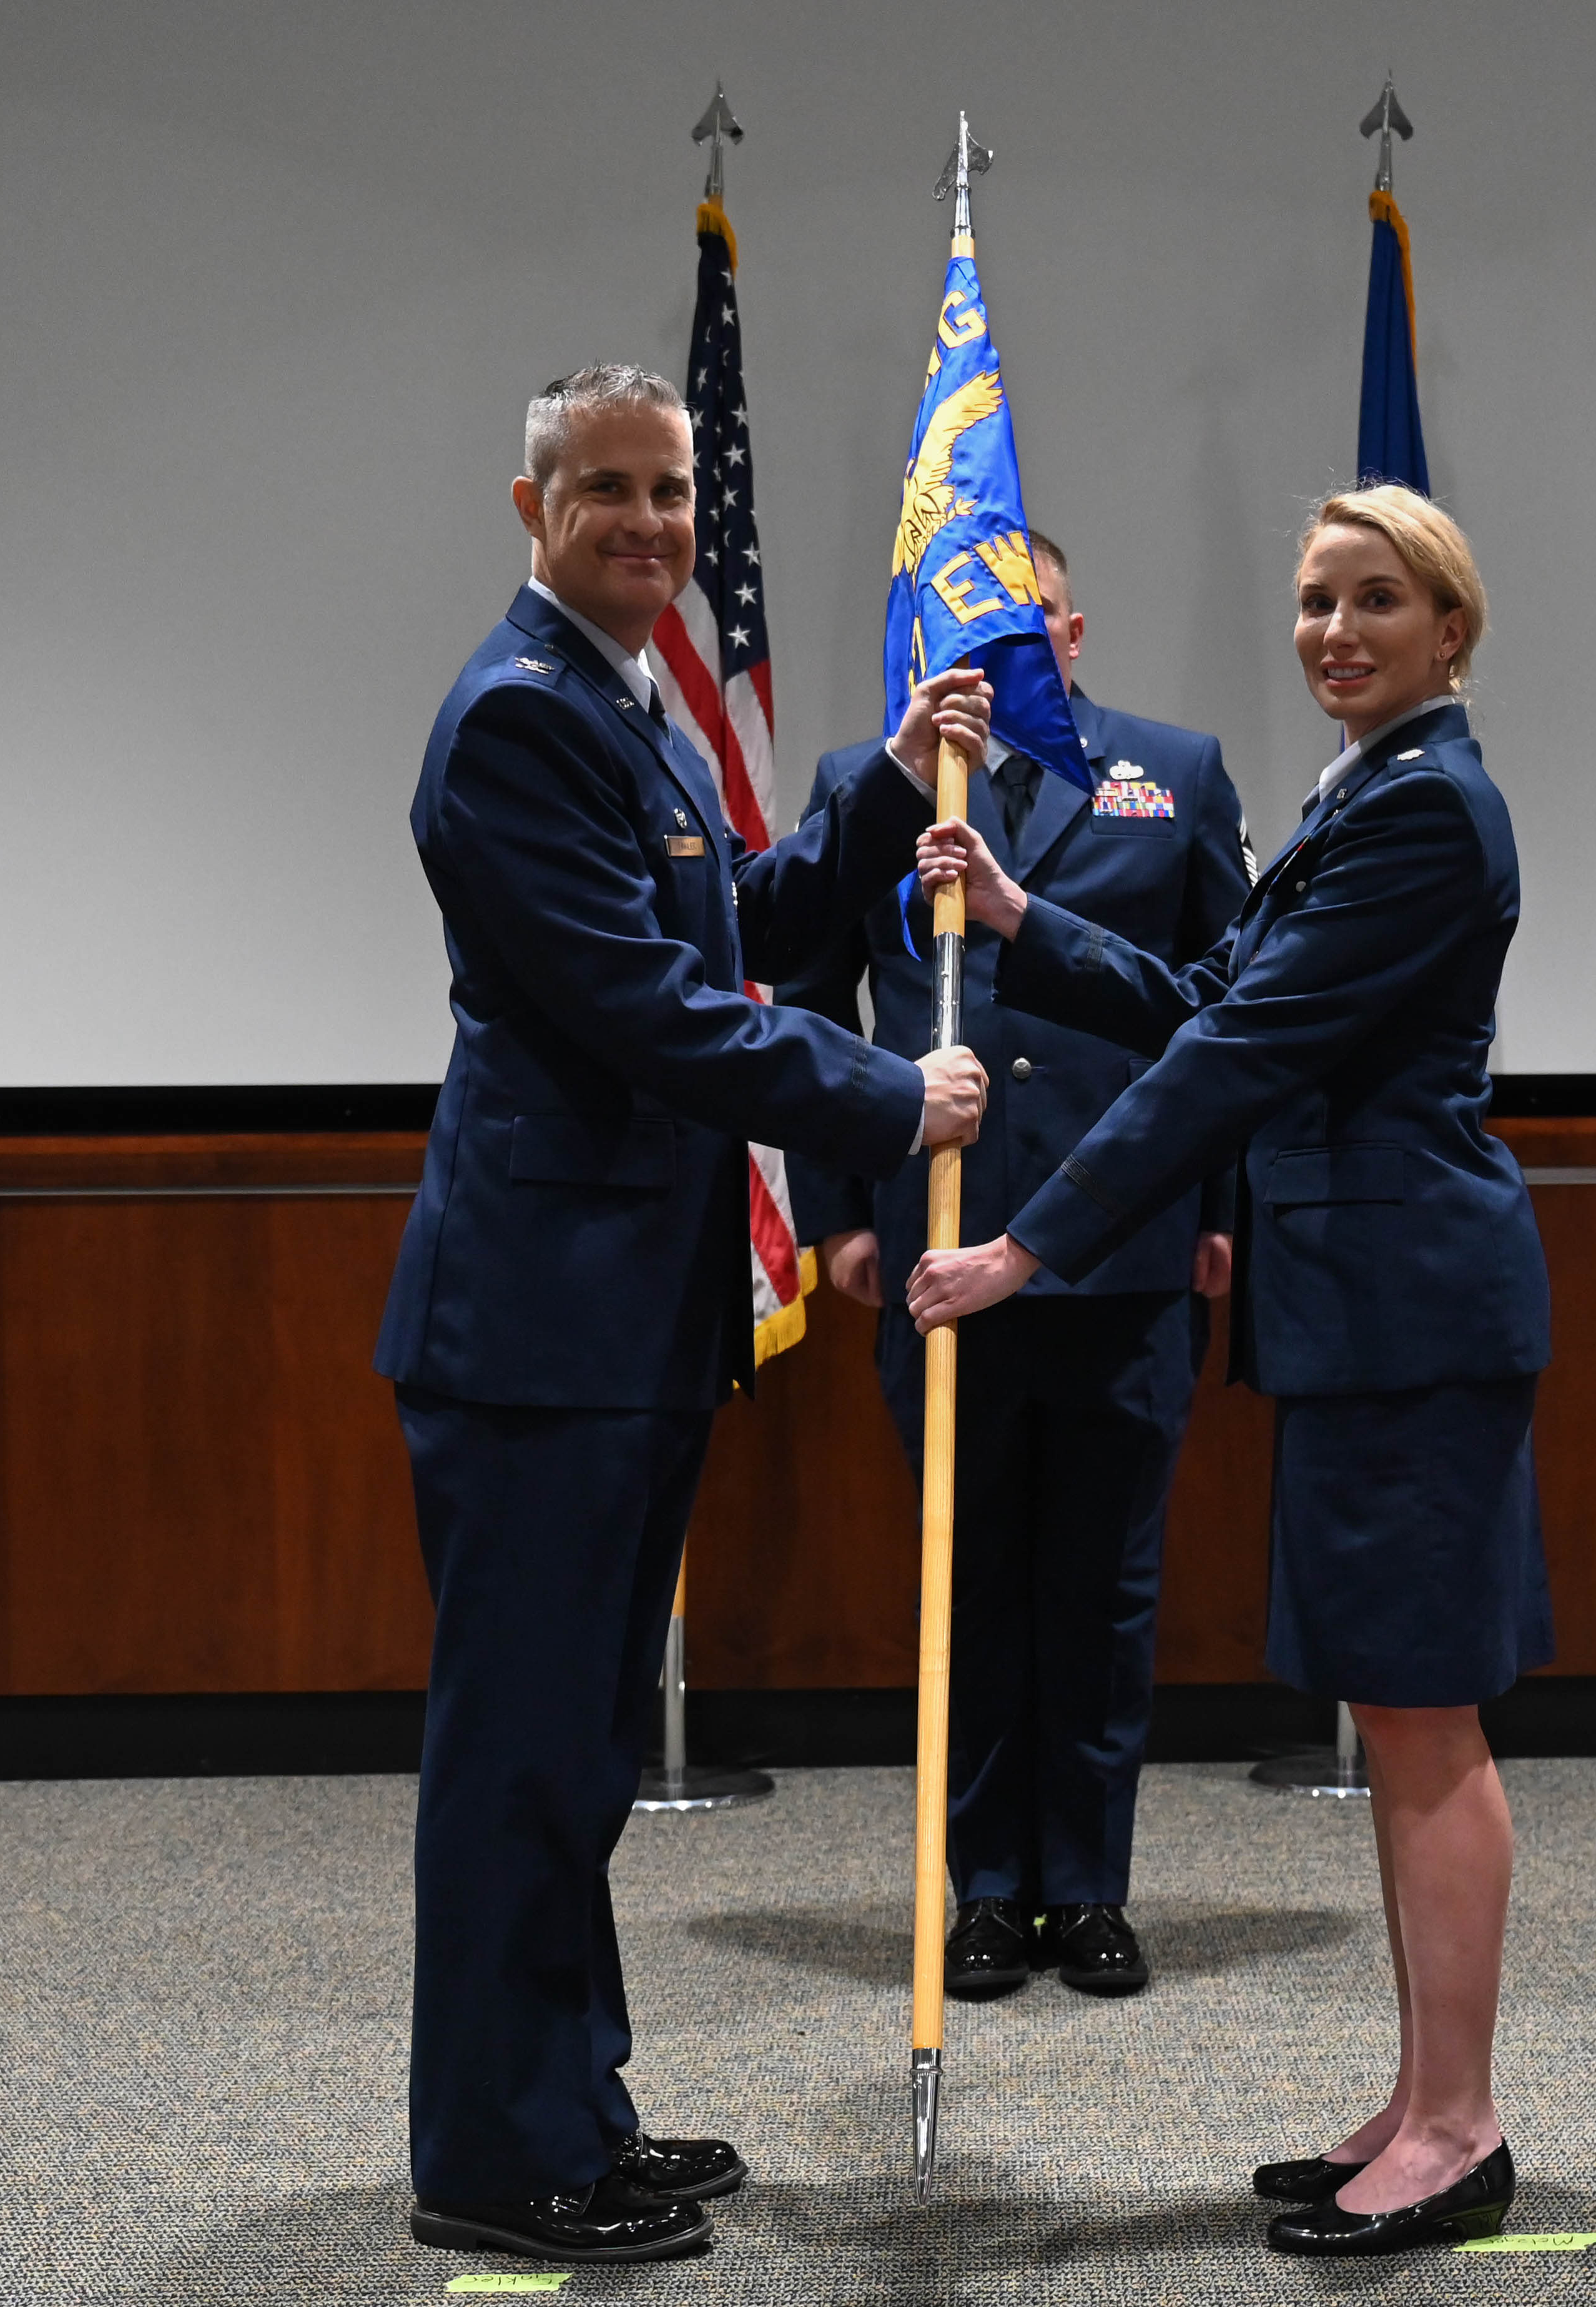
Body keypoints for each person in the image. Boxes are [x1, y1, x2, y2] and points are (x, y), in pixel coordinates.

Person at [372, 364, 990, 2266]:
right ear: (530, 505)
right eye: (610, 491)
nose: (650, 522)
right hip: (538, 1333)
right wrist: (890, 1100)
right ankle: (491, 2152)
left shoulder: (628, 712)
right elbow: (650, 1011)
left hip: (620, 1325)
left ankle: (575, 2102)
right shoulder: (513, 725)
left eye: (668, 491)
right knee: (525, 1756)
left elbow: (742, 931)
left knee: (573, 1754)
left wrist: (887, 786)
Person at [909, 485, 1552, 2259]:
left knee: (1423, 1720)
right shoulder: (1372, 793)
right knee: (1401, 1709)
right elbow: (1210, 986)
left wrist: (1027, 1243)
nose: (1332, 631)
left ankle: (1460, 2121)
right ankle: (1416, 2096)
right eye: (1311, 601)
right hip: (1365, 1309)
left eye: (1374, 600)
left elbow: (1237, 1056)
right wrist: (1030, 919)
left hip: (1412, 1306)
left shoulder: (1426, 812)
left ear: (1450, 626)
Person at [778, 531, 1253, 2002]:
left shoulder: (1174, 769)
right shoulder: (883, 779)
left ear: (1073, 626)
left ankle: (1087, 1888)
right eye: (960, 626)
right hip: (937, 1239)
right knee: (967, 1579)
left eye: (1020, 621)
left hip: (1123, 1249)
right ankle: (983, 1887)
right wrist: (838, 1213)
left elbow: (1236, 1015)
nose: (990, 652)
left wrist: (1218, 1205)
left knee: (1107, 1584)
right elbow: (809, 996)